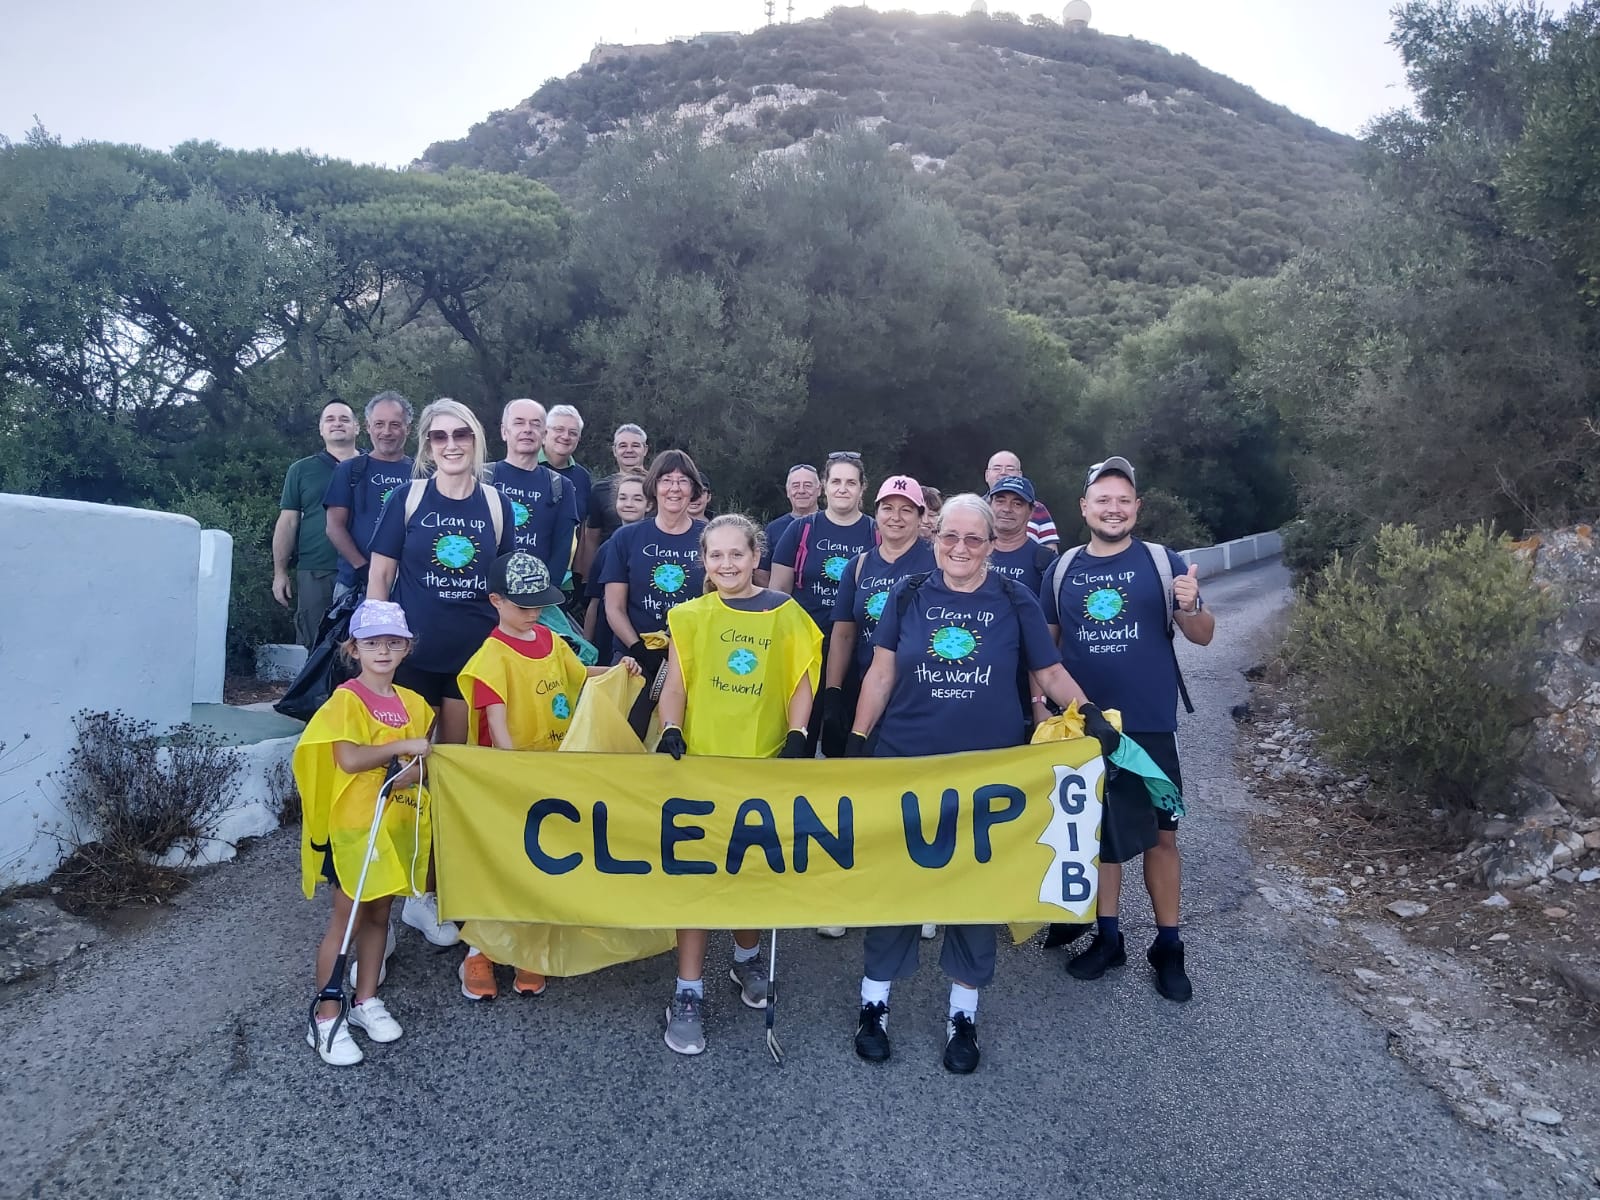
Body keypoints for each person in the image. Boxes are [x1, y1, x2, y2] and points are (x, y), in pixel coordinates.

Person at [844, 494, 1093, 1074]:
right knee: (896, 887)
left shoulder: (1014, 596)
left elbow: (1049, 672)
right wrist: (857, 740)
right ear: (935, 539)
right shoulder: (906, 595)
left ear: (990, 543)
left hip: (988, 775)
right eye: (949, 537)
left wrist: (1092, 716)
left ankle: (963, 1014)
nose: (959, 548)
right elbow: (881, 671)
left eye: (972, 539)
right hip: (906, 764)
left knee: (974, 892)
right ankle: (873, 1004)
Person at [1040, 456, 1213, 1003]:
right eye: (1102, 500)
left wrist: (1191, 606)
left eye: (1122, 500)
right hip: (1088, 727)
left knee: (1164, 836)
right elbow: (1047, 651)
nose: (1112, 509)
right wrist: (1041, 708)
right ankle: (1108, 936)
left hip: (1151, 725)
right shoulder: (1062, 569)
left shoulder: (1164, 563)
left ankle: (1169, 946)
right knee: (1102, 836)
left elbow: (1203, 635)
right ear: (1084, 508)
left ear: (1136, 507)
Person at [654, 514, 822, 1054]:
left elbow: (799, 682)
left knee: (751, 870)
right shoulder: (690, 615)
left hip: (762, 761)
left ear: (756, 557)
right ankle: (688, 989)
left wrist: (799, 734)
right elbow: (676, 685)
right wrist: (671, 728)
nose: (727, 564)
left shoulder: (785, 613)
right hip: (702, 762)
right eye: (716, 555)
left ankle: (746, 959)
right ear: (704, 561)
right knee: (698, 876)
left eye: (737, 554)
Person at [454, 550, 641, 1002]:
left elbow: (582, 680)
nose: (534, 612)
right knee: (498, 867)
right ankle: (479, 952)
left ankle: (528, 949)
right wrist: (517, 774)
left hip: (551, 772)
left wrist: (620, 670)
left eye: (539, 603)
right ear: (496, 601)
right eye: (524, 605)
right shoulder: (490, 657)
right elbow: (497, 726)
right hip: (508, 780)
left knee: (538, 864)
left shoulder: (552, 641)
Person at [367, 398, 516, 947]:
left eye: (460, 435)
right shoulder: (406, 500)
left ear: (477, 441)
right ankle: (391, 893)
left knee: (448, 777)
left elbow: (507, 588)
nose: (450, 445)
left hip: (472, 662)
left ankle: (434, 890)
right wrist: (376, 655)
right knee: (405, 774)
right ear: (427, 446)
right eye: (438, 437)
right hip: (411, 661)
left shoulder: (498, 506)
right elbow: (379, 578)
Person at [294, 599, 432, 1066]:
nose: (383, 651)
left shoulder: (414, 704)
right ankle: (327, 1013)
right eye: (372, 643)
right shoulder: (346, 700)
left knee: (379, 918)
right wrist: (401, 748)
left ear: (406, 648)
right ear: (353, 648)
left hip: (393, 826)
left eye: (393, 643)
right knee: (347, 920)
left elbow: (415, 770)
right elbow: (349, 760)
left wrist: (411, 765)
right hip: (354, 828)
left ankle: (365, 1000)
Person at [815, 473, 937, 940]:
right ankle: (850, 896)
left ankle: (918, 896)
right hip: (863, 692)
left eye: (907, 509)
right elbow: (843, 632)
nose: (896, 517)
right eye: (888, 507)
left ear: (922, 517)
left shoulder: (935, 561)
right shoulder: (860, 565)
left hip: (918, 697)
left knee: (916, 797)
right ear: (877, 512)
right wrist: (831, 694)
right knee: (858, 796)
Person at [770, 451, 876, 754]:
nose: (843, 488)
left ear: (862, 488)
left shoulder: (875, 533)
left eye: (851, 482)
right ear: (824, 486)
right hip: (804, 649)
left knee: (846, 741)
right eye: (836, 481)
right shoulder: (801, 529)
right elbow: (779, 592)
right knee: (798, 737)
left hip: (858, 654)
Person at [599, 450, 709, 681]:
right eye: (666, 480)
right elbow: (614, 607)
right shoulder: (625, 538)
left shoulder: (710, 538)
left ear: (694, 489)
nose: (674, 488)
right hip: (633, 660)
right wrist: (639, 649)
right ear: (653, 486)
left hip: (696, 657)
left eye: (683, 481)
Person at [274, 400, 360, 647]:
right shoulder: (301, 470)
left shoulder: (373, 467)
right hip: (317, 570)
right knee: (316, 647)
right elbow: (288, 523)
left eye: (344, 419)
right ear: (321, 429)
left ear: (357, 427)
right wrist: (280, 573)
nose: (337, 424)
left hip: (366, 571)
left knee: (364, 646)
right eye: (330, 419)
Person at [323, 392, 414, 599]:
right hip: (354, 584)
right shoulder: (349, 470)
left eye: (395, 425)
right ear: (368, 427)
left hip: (409, 586)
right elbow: (334, 527)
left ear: (407, 429)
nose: (386, 432)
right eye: (379, 424)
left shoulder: (422, 473)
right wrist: (363, 568)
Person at [488, 398, 580, 579]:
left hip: (536, 596)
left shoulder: (561, 486)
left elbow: (562, 551)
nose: (527, 430)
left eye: (535, 424)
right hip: (483, 594)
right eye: (519, 422)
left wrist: (545, 596)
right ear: (504, 432)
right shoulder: (482, 478)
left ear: (544, 434)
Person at [583, 474, 649, 666]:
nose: (629, 503)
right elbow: (594, 601)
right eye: (623, 498)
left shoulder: (653, 547)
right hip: (607, 638)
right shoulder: (606, 548)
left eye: (637, 498)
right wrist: (587, 644)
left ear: (650, 504)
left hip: (642, 639)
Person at [577, 423, 649, 579]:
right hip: (610, 568)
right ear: (614, 451)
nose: (629, 450)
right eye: (623, 445)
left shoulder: (658, 486)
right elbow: (591, 538)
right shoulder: (600, 489)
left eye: (635, 445)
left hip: (649, 564)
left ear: (645, 450)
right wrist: (588, 579)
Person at [986, 475, 1058, 594]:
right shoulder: (972, 552)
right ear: (990, 505)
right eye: (1000, 501)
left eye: (1017, 504)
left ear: (1031, 511)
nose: (1007, 509)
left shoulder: (1047, 562)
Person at [758, 463, 822, 586]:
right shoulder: (772, 529)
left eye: (808, 485)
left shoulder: (831, 525)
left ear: (819, 490)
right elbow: (762, 572)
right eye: (795, 486)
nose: (801, 491)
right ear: (788, 491)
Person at [984, 450, 1058, 549]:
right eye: (997, 468)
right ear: (987, 475)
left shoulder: (1038, 509)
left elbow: (1050, 552)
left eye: (1010, 468)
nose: (1003, 473)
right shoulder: (972, 509)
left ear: (1019, 475)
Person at [540, 404, 592, 530]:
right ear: (545, 432)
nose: (565, 436)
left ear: (578, 439)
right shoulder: (527, 466)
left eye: (573, 433)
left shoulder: (582, 477)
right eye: (559, 429)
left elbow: (582, 526)